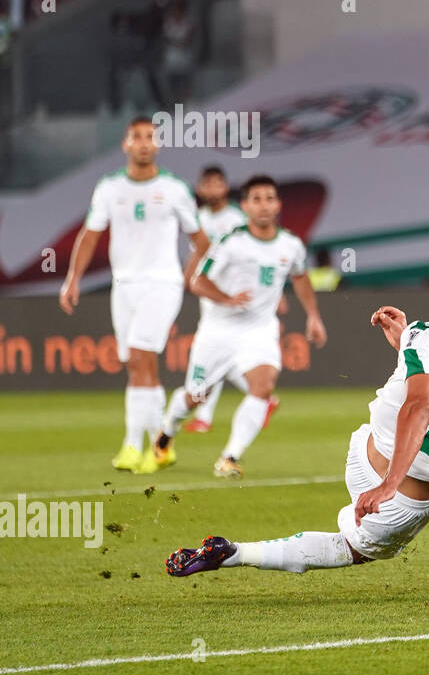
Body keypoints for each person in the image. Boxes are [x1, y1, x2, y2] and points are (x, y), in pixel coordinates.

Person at [167, 243, 429, 592]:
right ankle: (235, 551)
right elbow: (427, 402)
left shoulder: (425, 336)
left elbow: (425, 394)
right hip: (397, 500)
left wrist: (407, 343)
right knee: (347, 549)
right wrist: (390, 485)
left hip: (368, 452)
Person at [59, 117, 209, 474]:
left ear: (157, 145)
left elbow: (201, 241)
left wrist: (188, 275)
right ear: (125, 144)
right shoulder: (110, 188)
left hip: (161, 284)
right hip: (123, 286)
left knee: (142, 355)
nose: (143, 143)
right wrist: (72, 279)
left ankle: (143, 447)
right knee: (136, 365)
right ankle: (146, 446)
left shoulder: (174, 188)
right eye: (136, 137)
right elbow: (90, 235)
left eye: (150, 137)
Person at [155, 175, 324, 479]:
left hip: (259, 330)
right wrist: (227, 299)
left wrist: (313, 315)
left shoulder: (291, 244)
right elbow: (197, 281)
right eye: (256, 199)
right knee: (195, 397)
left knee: (264, 386)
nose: (264, 205)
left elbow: (299, 276)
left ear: (278, 204)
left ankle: (229, 457)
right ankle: (167, 430)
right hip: (218, 331)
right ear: (244, 205)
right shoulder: (231, 242)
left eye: (269, 199)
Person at [183, 166, 282, 436]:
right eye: (208, 184)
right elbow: (199, 253)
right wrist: (191, 274)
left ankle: (203, 415)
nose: (213, 188)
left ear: (226, 188)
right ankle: (261, 398)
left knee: (216, 353)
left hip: (238, 296)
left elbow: (265, 253)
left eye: (218, 183)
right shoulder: (199, 217)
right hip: (212, 291)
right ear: (201, 188)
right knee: (220, 355)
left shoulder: (238, 216)